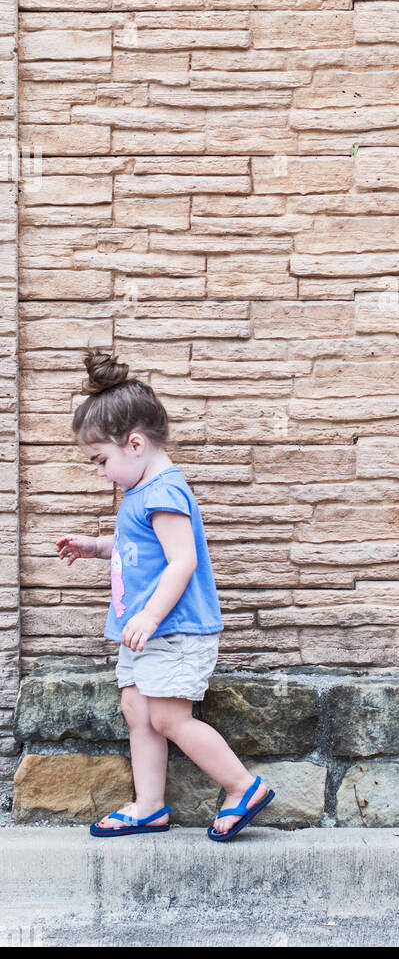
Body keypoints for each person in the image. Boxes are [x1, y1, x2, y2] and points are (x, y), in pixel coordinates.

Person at [56, 347, 274, 841]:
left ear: (135, 444)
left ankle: (242, 786)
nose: (99, 472)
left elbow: (183, 560)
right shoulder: (141, 492)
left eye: (100, 460)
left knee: (168, 715)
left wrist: (151, 616)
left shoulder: (163, 492)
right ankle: (149, 805)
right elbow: (139, 547)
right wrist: (95, 546)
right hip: (147, 633)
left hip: (172, 630)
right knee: (137, 709)